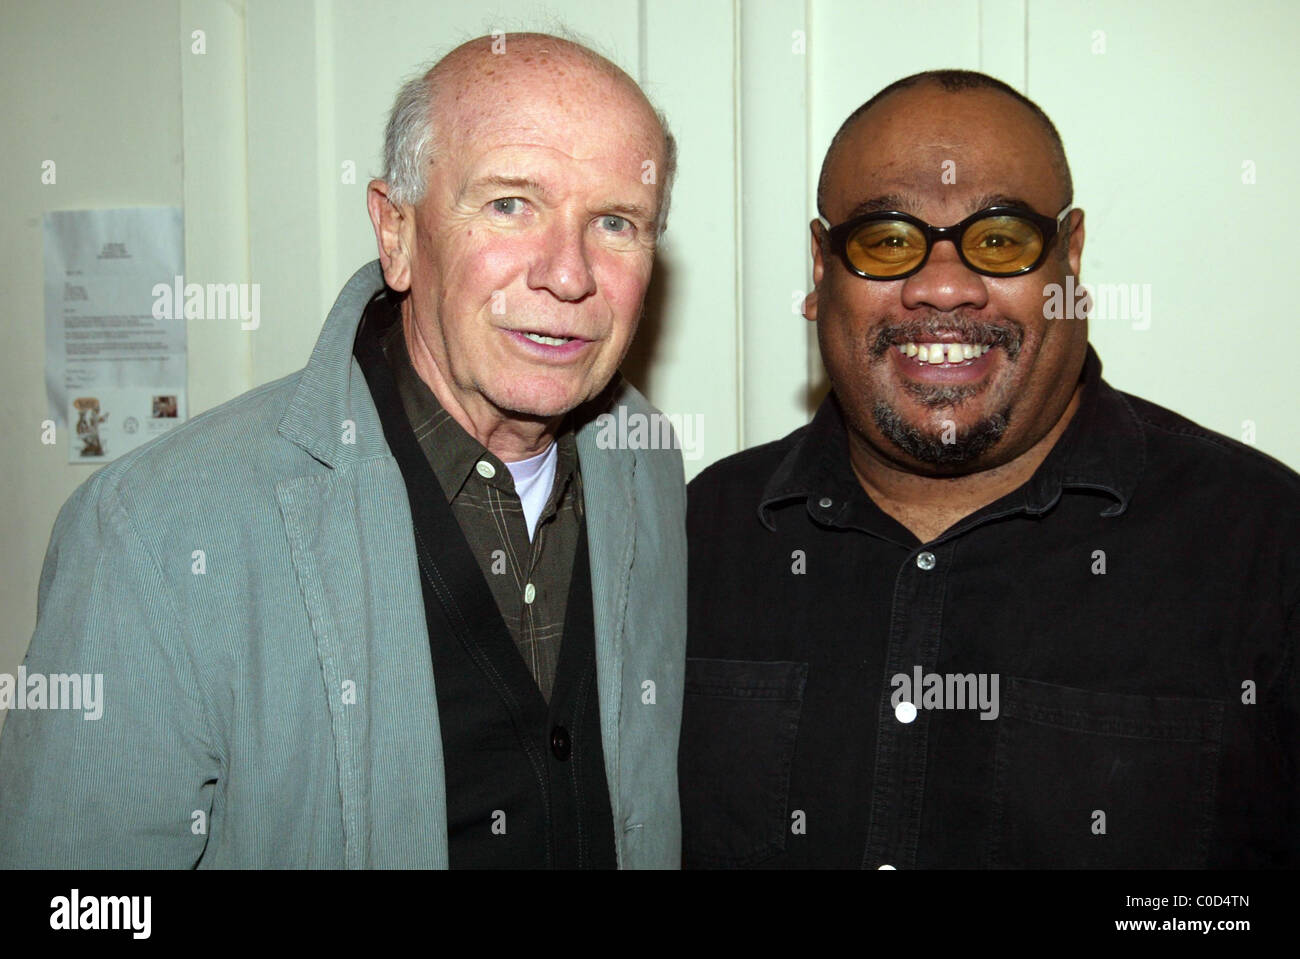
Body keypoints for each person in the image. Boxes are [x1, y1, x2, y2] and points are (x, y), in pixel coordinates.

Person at [0, 32, 686, 869]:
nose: (569, 273)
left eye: (616, 222)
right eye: (510, 204)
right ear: (396, 234)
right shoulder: (152, 533)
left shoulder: (647, 468)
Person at [680, 70, 1298, 868]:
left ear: (1070, 261)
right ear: (819, 268)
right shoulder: (691, 539)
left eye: (1001, 239)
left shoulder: (1268, 550)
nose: (943, 287)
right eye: (888, 240)